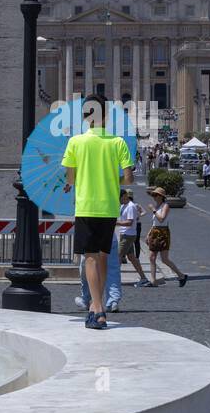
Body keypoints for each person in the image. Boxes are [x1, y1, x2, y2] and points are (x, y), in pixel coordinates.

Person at [61, 93, 135, 328]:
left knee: (90, 259)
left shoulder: (75, 142)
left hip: (86, 206)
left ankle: (99, 310)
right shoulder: (118, 142)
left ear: (85, 116)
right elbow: (129, 179)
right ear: (106, 115)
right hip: (109, 207)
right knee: (103, 257)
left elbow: (70, 178)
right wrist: (110, 180)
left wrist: (75, 181)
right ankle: (96, 304)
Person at [141, 187, 187, 288]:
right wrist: (149, 234)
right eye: (153, 195)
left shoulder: (165, 206)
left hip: (163, 233)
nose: (154, 197)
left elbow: (161, 219)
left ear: (161, 197)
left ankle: (181, 275)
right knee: (152, 257)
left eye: (156, 195)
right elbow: (154, 223)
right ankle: (153, 281)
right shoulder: (157, 206)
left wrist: (153, 210)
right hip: (155, 231)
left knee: (164, 259)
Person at [116, 188, 148, 284]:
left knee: (118, 256)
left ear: (124, 196)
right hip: (125, 234)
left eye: (119, 198)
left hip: (128, 235)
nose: (119, 200)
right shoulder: (123, 206)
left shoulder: (131, 206)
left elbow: (130, 222)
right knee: (131, 257)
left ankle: (113, 279)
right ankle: (143, 278)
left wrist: (116, 223)